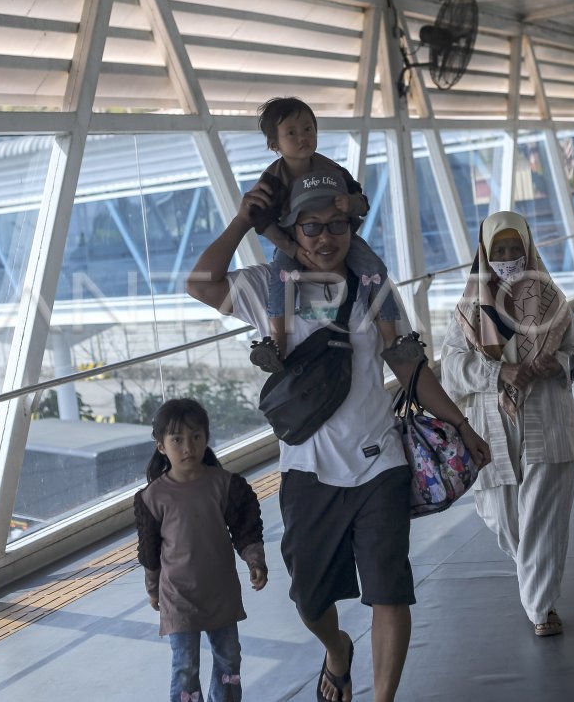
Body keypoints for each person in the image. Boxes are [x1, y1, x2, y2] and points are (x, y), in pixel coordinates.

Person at [187, 167, 491, 702]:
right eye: (311, 227)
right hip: (307, 469)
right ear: (290, 232)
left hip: (380, 462)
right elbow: (201, 283)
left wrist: (462, 426)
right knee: (308, 600)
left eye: (337, 226)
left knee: (390, 592)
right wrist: (241, 219)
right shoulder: (267, 288)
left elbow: (410, 367)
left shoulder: (374, 287)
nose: (326, 238)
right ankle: (337, 648)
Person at [440, 211, 574, 638]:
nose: (507, 258)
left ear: (528, 250)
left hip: (546, 419)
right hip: (490, 425)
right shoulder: (468, 309)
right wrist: (497, 373)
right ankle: (535, 577)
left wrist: (554, 362)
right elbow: (449, 369)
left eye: (514, 249)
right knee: (504, 518)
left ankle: (542, 608)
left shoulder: (551, 300)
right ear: (485, 253)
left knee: (544, 515)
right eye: (498, 250)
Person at [247, 97, 399, 373]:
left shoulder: (331, 169)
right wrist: (291, 250)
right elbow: (261, 220)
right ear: (274, 144)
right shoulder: (273, 179)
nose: (302, 137)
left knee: (375, 269)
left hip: (340, 237)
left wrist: (351, 205)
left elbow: (361, 200)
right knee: (281, 277)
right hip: (294, 242)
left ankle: (392, 339)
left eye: (308, 129)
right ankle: (276, 341)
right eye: (291, 132)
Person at [133, 398, 268, 702]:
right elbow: (150, 553)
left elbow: (245, 528)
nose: (188, 447)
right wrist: (153, 590)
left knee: (229, 661)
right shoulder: (153, 498)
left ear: (207, 439)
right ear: (161, 446)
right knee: (185, 666)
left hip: (220, 593)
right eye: (177, 439)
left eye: (196, 437)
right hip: (178, 598)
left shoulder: (225, 484)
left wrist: (255, 561)